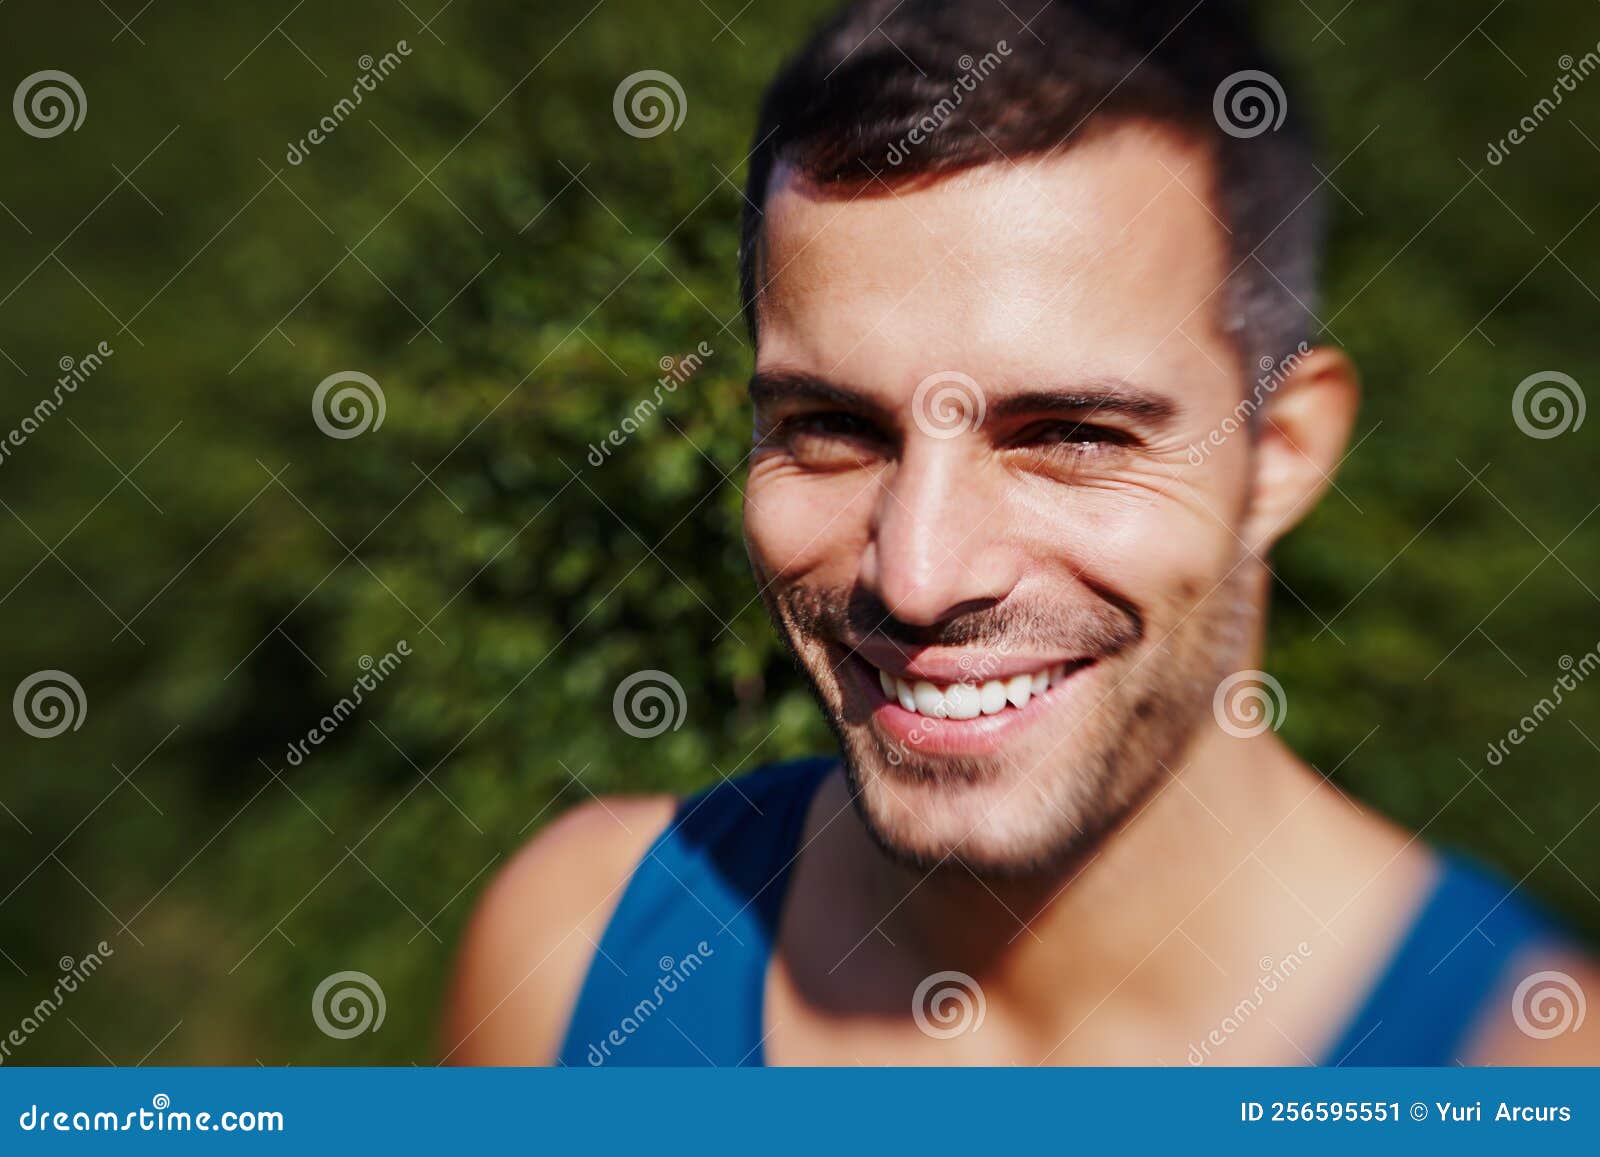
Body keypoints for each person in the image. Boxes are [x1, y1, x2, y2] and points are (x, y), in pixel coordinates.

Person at [442, 0, 1599, 1066]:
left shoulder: (1530, 1059)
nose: (919, 572)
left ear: (1282, 451)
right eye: (833, 425)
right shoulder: (575, 958)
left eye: (1072, 433)